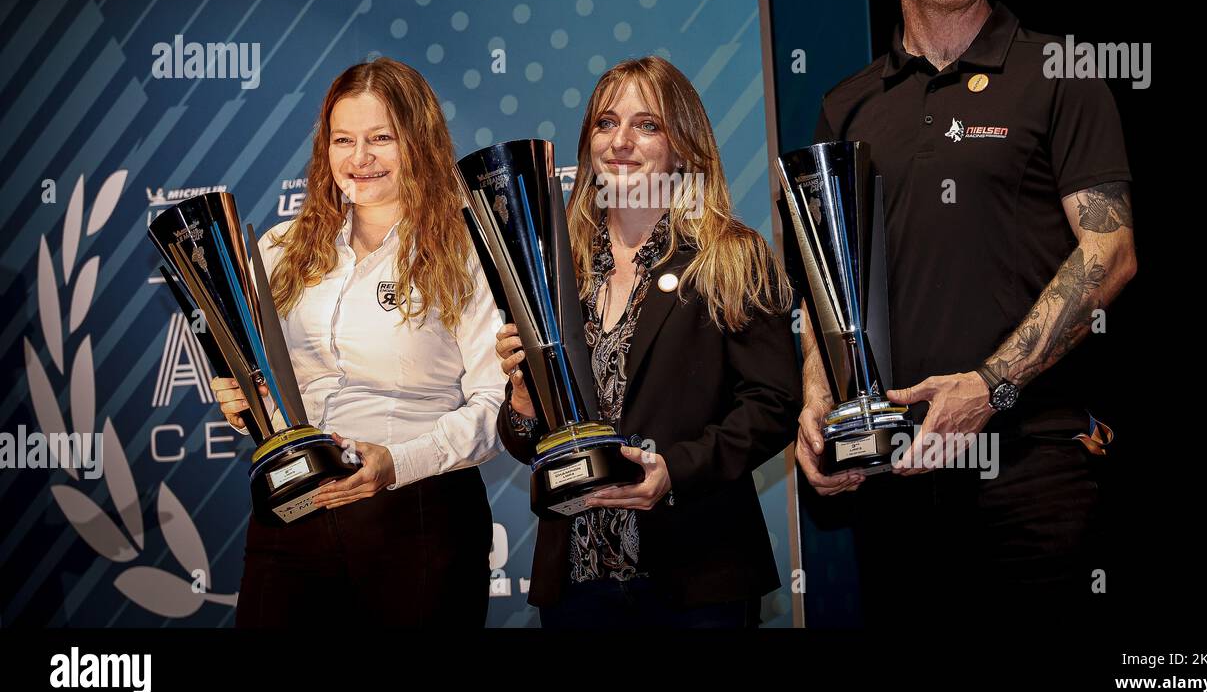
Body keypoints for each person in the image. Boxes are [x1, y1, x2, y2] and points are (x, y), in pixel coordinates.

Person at [796, 0, 1137, 600]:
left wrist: (990, 386)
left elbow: (1109, 253)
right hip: (898, 472)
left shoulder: (1061, 69)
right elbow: (830, 283)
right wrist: (817, 399)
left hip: (1035, 461)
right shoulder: (848, 104)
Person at [495, 55, 801, 627]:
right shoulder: (557, 272)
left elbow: (774, 405)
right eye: (606, 123)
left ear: (682, 145)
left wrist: (674, 472)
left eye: (647, 125)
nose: (621, 142)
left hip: (697, 576)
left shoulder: (731, 256)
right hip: (578, 579)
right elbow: (526, 437)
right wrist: (519, 409)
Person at [211, 56, 506, 627]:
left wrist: (395, 464)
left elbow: (497, 407)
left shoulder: (470, 250)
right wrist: (246, 406)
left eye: (380, 138)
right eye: (343, 139)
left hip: (418, 514)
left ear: (418, 142)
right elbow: (268, 385)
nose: (359, 158)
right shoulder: (279, 248)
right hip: (294, 509)